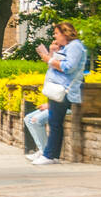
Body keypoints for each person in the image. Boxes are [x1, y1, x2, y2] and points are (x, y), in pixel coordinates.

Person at [28, 21, 87, 165]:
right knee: (55, 122)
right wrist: (52, 52)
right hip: (58, 89)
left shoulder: (75, 47)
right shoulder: (68, 47)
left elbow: (69, 67)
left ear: (65, 33)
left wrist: (49, 59)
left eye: (56, 33)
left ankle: (49, 156)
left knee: (55, 123)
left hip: (65, 89)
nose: (54, 36)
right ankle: (51, 155)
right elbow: (57, 64)